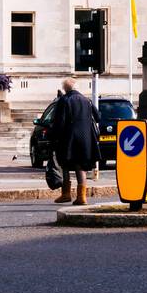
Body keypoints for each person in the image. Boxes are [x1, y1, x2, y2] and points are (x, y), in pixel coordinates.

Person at [50, 77, 101, 205]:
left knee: (65, 164)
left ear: (65, 88)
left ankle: (66, 194)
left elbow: (59, 122)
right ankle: (81, 197)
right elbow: (98, 117)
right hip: (86, 137)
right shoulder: (86, 100)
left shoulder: (64, 100)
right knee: (80, 166)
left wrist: (54, 136)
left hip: (69, 137)